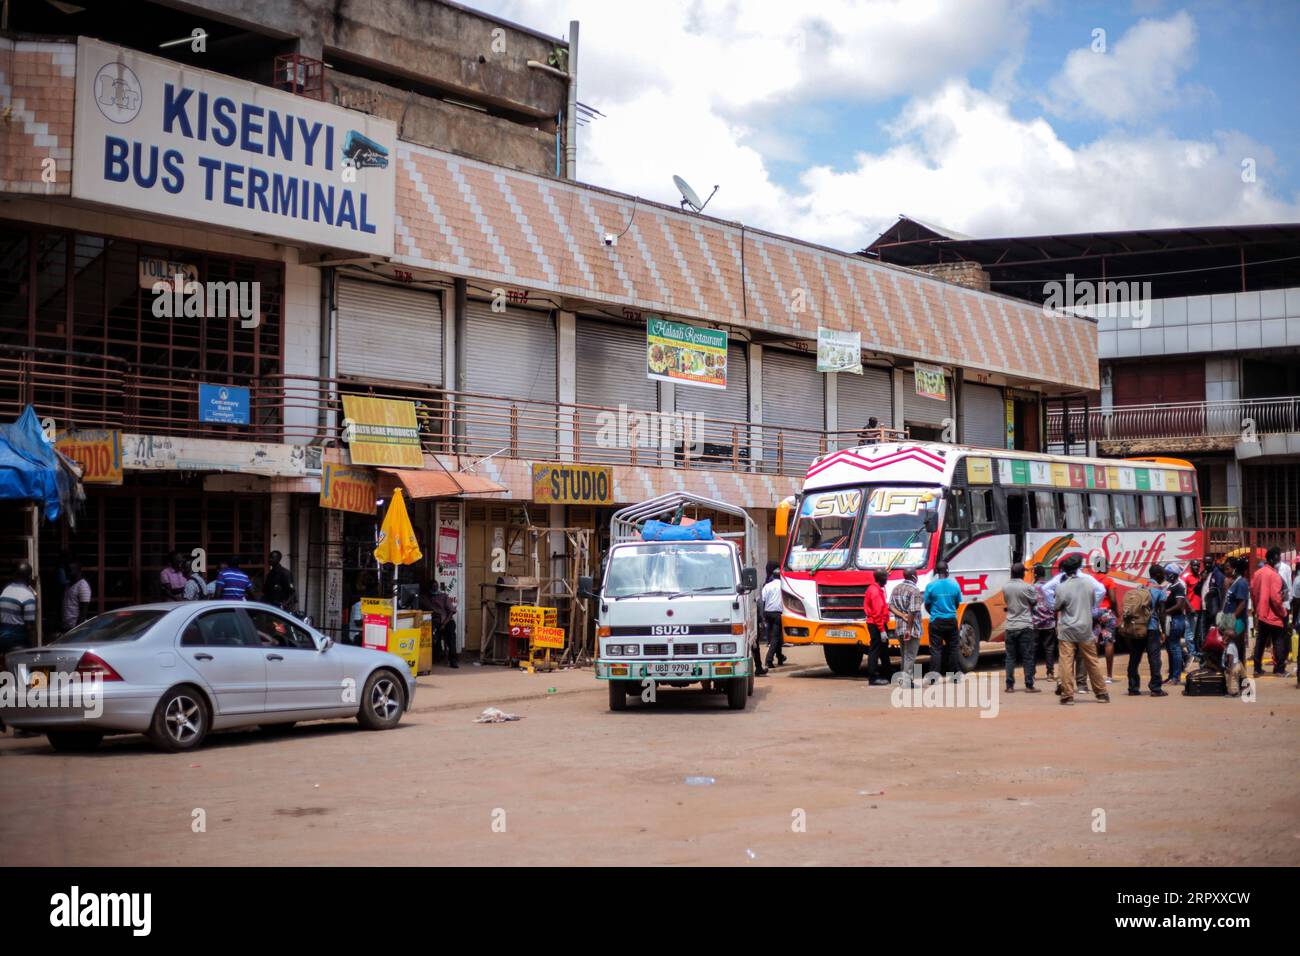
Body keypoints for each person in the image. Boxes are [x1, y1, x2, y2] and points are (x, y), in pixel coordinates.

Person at [1052, 554, 1109, 704]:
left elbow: (1056, 606)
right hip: (1085, 627)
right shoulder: (1088, 584)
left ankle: (1067, 695)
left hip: (1067, 629)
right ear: (1078, 568)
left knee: (1066, 662)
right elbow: (1092, 602)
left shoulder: (1061, 587)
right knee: (1092, 661)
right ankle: (1102, 693)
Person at [1122, 564, 1169, 697]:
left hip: (1137, 627)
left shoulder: (1140, 587)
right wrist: (1164, 630)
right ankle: (1155, 688)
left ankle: (1133, 687)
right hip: (1152, 627)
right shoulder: (1160, 590)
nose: (1164, 576)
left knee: (1134, 657)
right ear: (1158, 575)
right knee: (1154, 658)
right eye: (1163, 574)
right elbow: (1162, 612)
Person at [1001, 562, 1040, 693]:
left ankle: (1009, 686)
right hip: (1025, 625)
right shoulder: (1027, 587)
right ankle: (1029, 685)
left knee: (1010, 657)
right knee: (1027, 656)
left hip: (1010, 625)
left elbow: (1007, 602)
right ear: (1022, 573)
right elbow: (1034, 602)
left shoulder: (1005, 587)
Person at [1250, 547, 1288, 677]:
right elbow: (1275, 599)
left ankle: (1257, 668)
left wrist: (1257, 608)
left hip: (1261, 613)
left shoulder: (1257, 573)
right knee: (1278, 641)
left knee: (1260, 641)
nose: (1279, 560)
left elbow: (1253, 594)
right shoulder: (1274, 575)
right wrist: (1282, 612)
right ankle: (1279, 669)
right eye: (1278, 557)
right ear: (1272, 559)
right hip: (1273, 615)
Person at [923, 561, 962, 678]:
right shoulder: (955, 585)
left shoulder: (930, 586)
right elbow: (957, 603)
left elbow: (927, 604)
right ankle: (954, 676)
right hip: (951, 620)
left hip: (936, 622)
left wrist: (934, 614)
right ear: (947, 570)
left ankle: (934, 677)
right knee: (953, 648)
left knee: (936, 650)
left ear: (936, 572)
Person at [1090, 554, 1119, 685]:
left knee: (1093, 642)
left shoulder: (1090, 581)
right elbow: (1112, 599)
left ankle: (1093, 675)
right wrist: (1117, 613)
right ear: (1105, 567)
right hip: (1106, 612)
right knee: (1108, 642)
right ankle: (1109, 676)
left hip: (1093, 612)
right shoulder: (1109, 581)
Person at [0, 562, 38, 656]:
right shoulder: (28, 595)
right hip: (18, 642)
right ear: (29, 577)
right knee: (22, 669)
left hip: (3, 639)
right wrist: (34, 650)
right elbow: (30, 627)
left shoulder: (6, 590)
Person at [1219, 558, 1251, 667]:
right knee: (1231, 651)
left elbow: (1242, 604)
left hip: (1237, 623)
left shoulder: (1241, 583)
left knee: (1237, 650)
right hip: (1230, 621)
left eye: (1227, 569)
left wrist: (1232, 619)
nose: (1225, 571)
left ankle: (1241, 679)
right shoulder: (1233, 583)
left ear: (1234, 569)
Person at [862, 569, 891, 685]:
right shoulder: (875, 592)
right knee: (875, 650)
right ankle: (873, 677)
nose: (887, 579)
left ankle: (887, 673)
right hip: (876, 624)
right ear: (881, 578)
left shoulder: (874, 589)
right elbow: (877, 613)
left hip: (876, 623)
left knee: (884, 650)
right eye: (886, 577)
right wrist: (882, 629)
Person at [1163, 562, 1189, 685]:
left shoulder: (1179, 586)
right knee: (1170, 648)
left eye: (1168, 574)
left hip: (1177, 620)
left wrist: (1165, 611)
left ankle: (1176, 676)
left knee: (1175, 648)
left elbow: (1179, 605)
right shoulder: (1170, 586)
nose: (1166, 576)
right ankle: (1171, 675)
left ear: (1173, 575)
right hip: (1170, 620)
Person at [1199, 626, 1245, 697]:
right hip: (1238, 664)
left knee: (1231, 680)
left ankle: (1233, 693)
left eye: (1224, 635)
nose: (1222, 637)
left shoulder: (1229, 647)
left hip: (1233, 666)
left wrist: (1229, 667)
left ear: (1228, 638)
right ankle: (1243, 689)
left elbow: (1230, 657)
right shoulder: (1233, 644)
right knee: (1239, 678)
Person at [1031, 564, 1057, 680]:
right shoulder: (1050, 587)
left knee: (1033, 648)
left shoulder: (1031, 588)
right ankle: (1050, 673)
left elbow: (1030, 604)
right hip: (1049, 623)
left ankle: (1031, 673)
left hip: (1035, 623)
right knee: (1049, 648)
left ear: (1035, 574)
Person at [760, 568, 782, 672]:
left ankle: (780, 657)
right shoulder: (783, 586)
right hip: (778, 614)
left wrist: (763, 616)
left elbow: (762, 601)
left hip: (768, 612)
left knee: (776, 636)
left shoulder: (767, 586)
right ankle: (769, 659)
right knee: (776, 637)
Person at [61, 560, 92, 633]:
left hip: (75, 628)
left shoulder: (82, 586)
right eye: (66, 571)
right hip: (67, 626)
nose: (66, 573)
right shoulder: (68, 585)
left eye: (69, 571)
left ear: (78, 571)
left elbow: (83, 612)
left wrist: (76, 631)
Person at [1181, 559, 1203, 657]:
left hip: (1199, 608)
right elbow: (1183, 594)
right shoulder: (1186, 577)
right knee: (1190, 632)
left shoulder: (1199, 576)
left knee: (1197, 632)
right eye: (1195, 565)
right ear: (1190, 566)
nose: (1197, 567)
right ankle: (1191, 653)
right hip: (1191, 609)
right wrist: (1190, 607)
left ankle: (1196, 651)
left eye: (1198, 566)